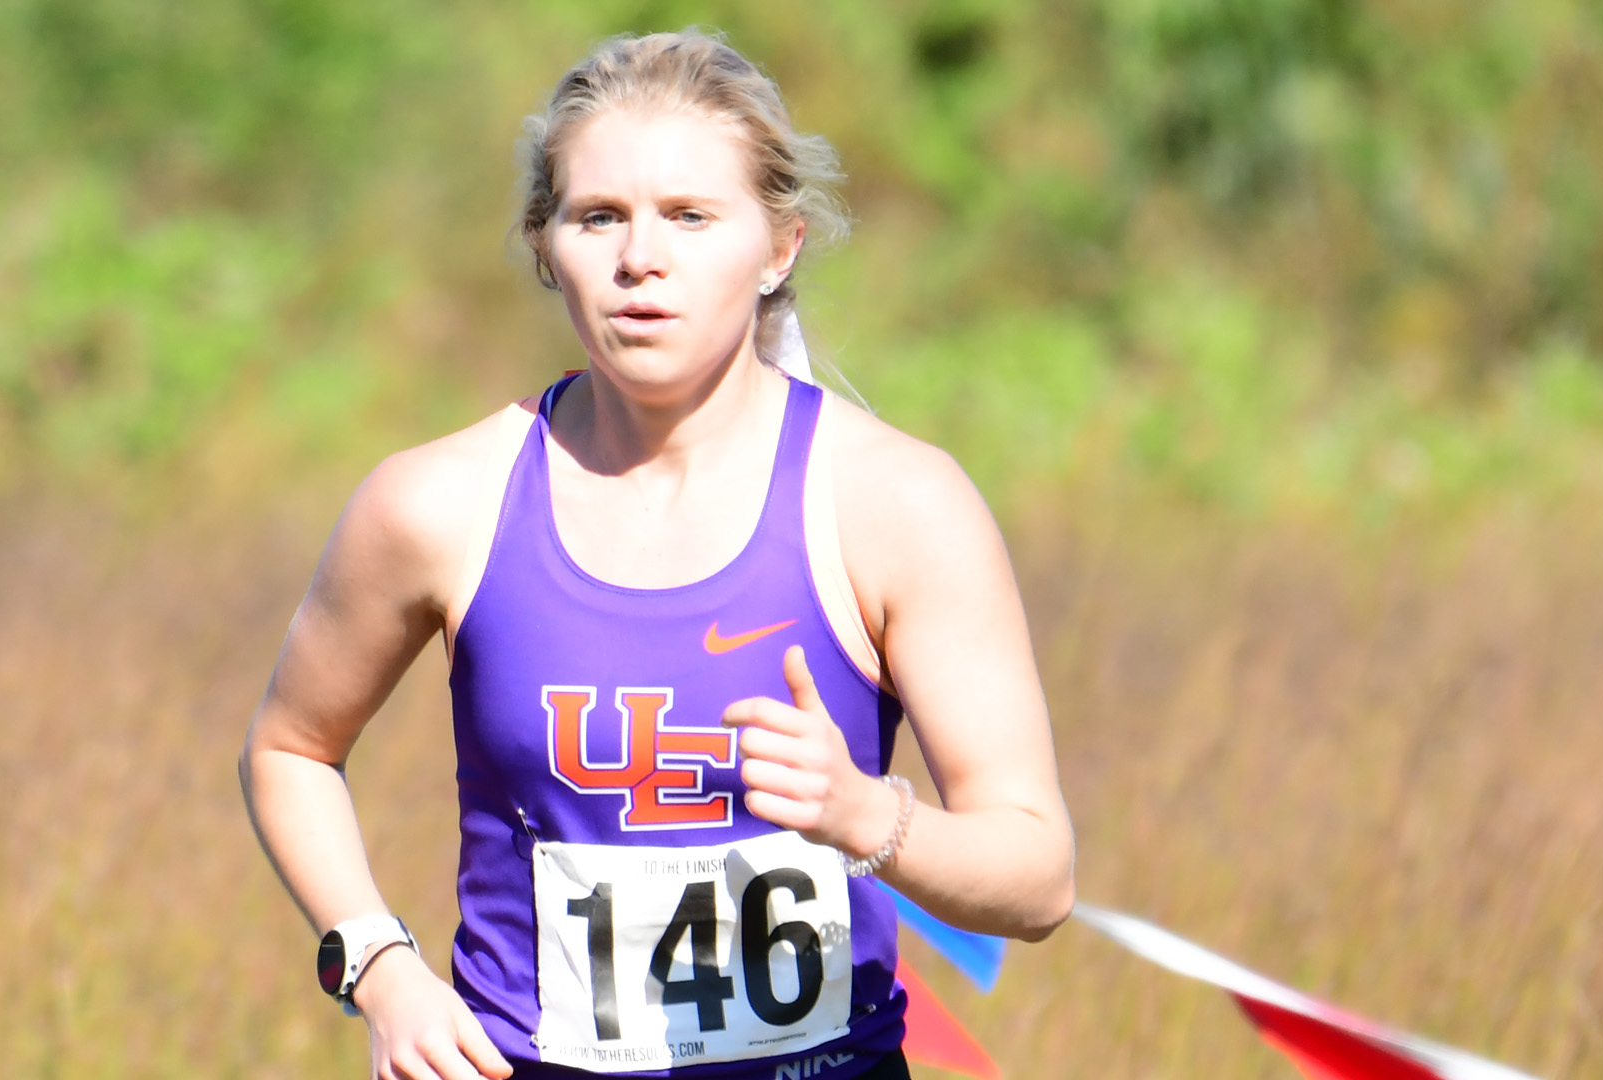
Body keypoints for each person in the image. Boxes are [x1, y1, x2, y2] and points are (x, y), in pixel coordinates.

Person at [239, 29, 1074, 1080]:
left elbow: (1038, 877)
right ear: (548, 247)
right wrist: (378, 964)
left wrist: (865, 814)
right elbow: (289, 751)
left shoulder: (895, 504)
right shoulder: (437, 504)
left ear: (779, 247)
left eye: (689, 215)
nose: (641, 258)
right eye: (599, 218)